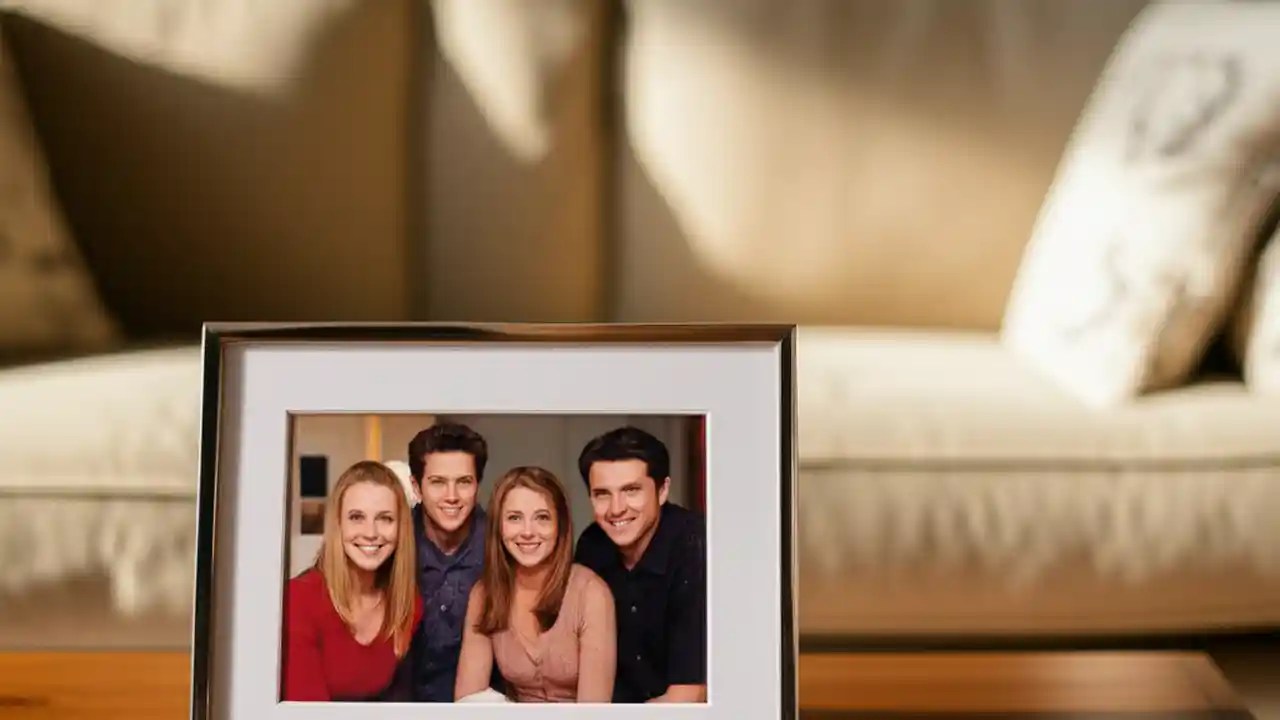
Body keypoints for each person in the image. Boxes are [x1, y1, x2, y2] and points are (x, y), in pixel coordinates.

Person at [454, 466, 616, 703]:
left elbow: (593, 714)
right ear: (499, 527)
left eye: (542, 517)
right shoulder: (484, 593)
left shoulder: (591, 593)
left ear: (559, 525)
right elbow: (469, 702)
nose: (528, 532)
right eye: (514, 518)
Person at [572, 426, 707, 703]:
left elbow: (689, 694)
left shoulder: (696, 546)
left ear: (662, 490)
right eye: (602, 494)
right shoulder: (591, 546)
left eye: (631, 490)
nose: (616, 508)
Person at [282, 460, 423, 701]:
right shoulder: (299, 600)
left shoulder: (407, 604)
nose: (371, 532)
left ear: (401, 528)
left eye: (385, 518)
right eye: (357, 517)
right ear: (338, 524)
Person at [404, 421, 501, 701]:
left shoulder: (504, 545)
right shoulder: (392, 541)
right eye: (438, 482)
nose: (452, 497)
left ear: (477, 485)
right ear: (417, 486)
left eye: (464, 482)